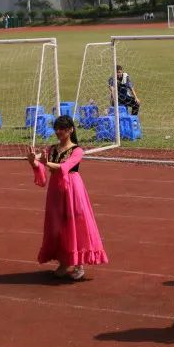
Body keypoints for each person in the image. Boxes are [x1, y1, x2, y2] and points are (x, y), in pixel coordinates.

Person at [25, 115, 108, 281]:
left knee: (75, 223)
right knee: (57, 226)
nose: (58, 132)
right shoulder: (52, 148)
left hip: (73, 190)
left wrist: (46, 163)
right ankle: (64, 261)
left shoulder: (77, 150)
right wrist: (34, 163)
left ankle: (78, 264)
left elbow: (65, 167)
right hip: (56, 190)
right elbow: (42, 171)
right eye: (56, 128)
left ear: (70, 130)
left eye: (62, 128)